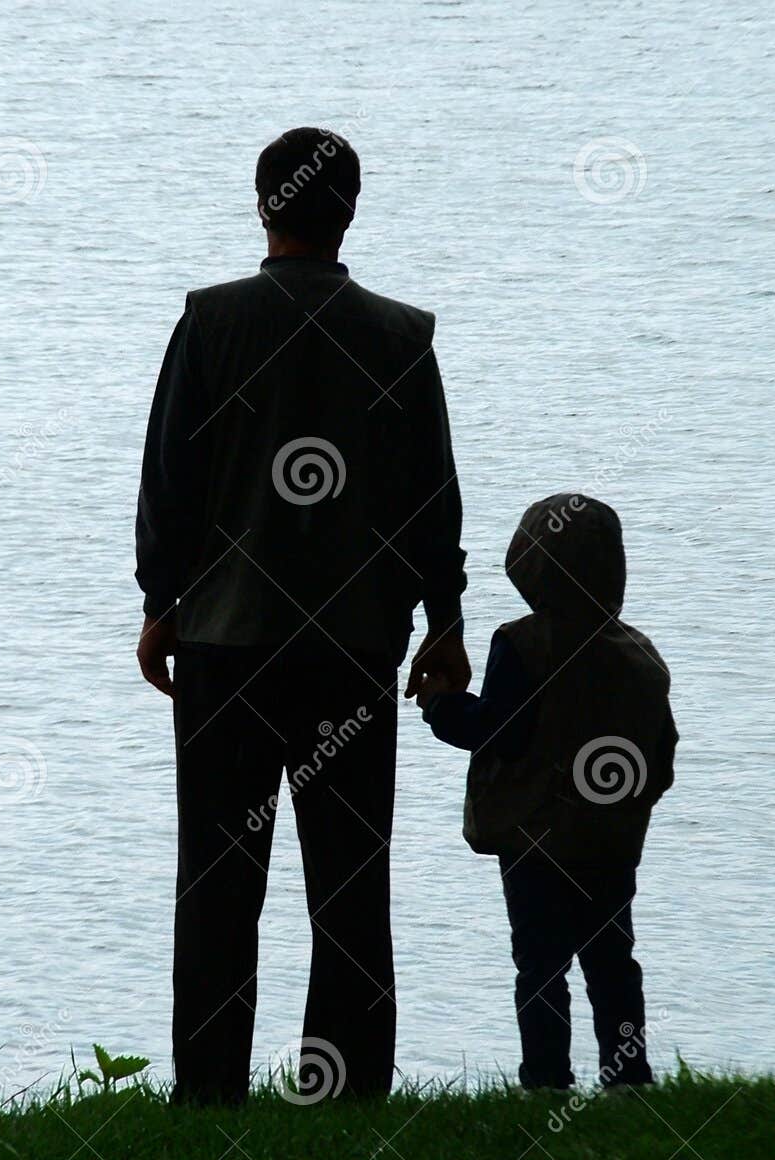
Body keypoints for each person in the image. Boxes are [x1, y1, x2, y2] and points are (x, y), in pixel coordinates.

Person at [134, 127, 469, 1104]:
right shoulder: (401, 338)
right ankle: (345, 1093)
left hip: (226, 649)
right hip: (354, 647)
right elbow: (429, 501)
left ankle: (207, 1099)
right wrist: (442, 622)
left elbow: (172, 480)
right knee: (350, 890)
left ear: (260, 206)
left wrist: (162, 602)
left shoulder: (209, 322)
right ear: (350, 210)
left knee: (219, 886)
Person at [416, 494, 677, 1090]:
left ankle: (545, 1080)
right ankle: (628, 1076)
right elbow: (659, 756)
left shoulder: (522, 645)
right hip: (610, 841)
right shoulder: (640, 655)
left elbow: (497, 736)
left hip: (533, 838)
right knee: (613, 962)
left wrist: (440, 704)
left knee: (540, 964)